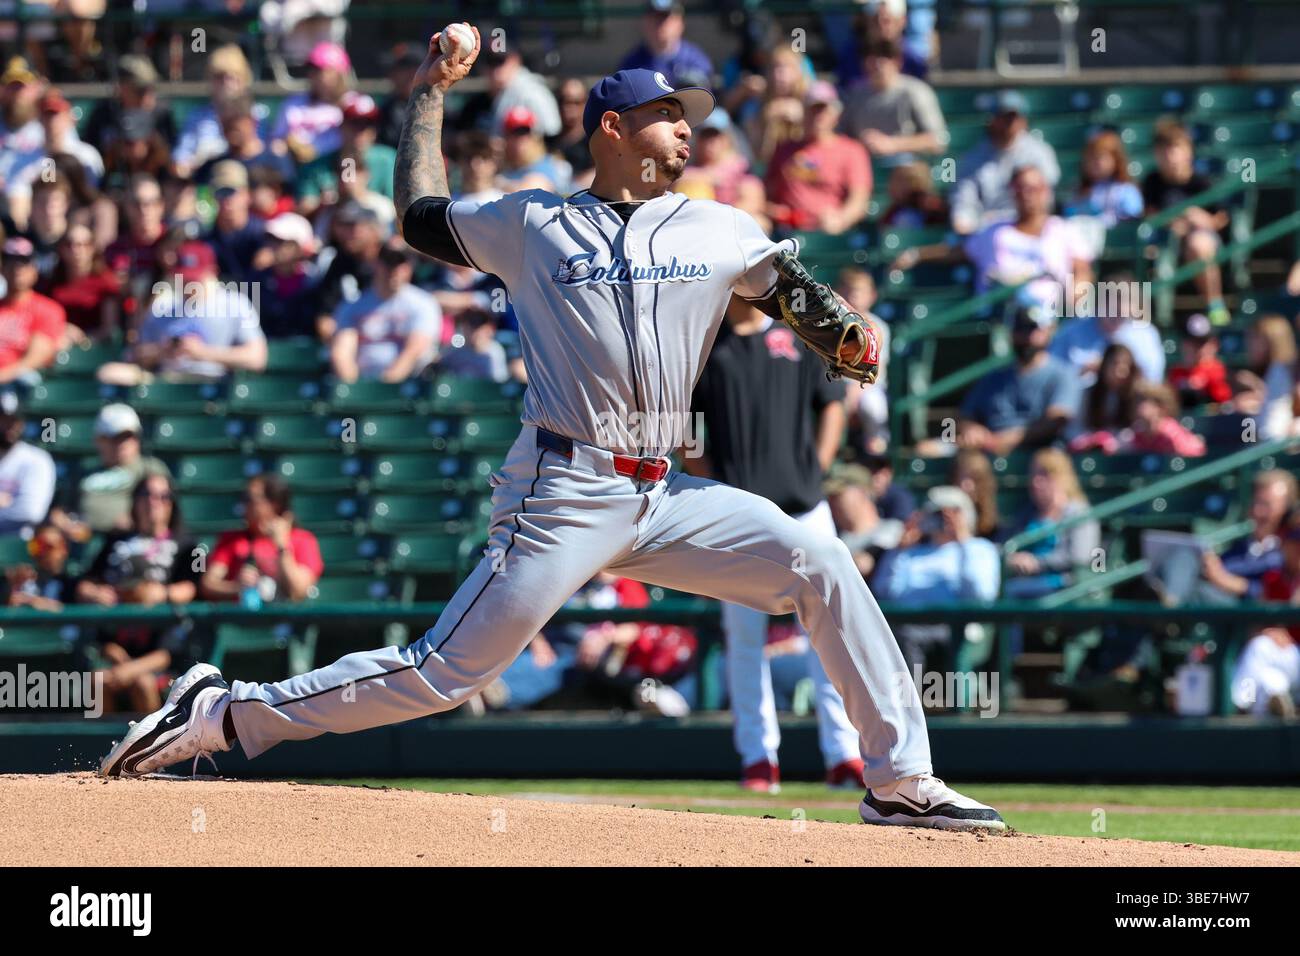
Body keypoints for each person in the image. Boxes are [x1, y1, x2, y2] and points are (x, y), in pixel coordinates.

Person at [100, 41, 1005, 833]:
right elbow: (420, 216)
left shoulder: (717, 224)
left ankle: (898, 782)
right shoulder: (531, 222)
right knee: (443, 673)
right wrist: (427, 94)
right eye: (664, 114)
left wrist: (841, 332)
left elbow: (785, 284)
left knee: (821, 559)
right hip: (562, 490)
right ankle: (225, 713)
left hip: (662, 495)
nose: (686, 129)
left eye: (687, 116)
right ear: (610, 129)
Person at [689, 296, 865, 792]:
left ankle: (844, 755)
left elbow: (832, 404)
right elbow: (688, 434)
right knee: (744, 640)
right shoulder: (706, 345)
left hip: (805, 507)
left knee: (830, 634)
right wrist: (714, 492)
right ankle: (758, 757)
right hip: (740, 517)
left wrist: (819, 467)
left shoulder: (796, 336)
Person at [77, 473, 201, 714]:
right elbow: (83, 584)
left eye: (163, 496)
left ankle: (152, 751)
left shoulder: (188, 545)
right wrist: (95, 592)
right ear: (135, 501)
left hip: (161, 650)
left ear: (172, 503)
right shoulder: (115, 540)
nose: (154, 502)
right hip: (114, 644)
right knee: (96, 681)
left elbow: (195, 588)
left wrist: (161, 593)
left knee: (142, 683)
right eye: (147, 495)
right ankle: (103, 752)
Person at [97, 240, 267, 385]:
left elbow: (257, 357)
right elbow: (134, 355)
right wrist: (162, 351)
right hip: (166, 382)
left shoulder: (234, 303)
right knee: (109, 373)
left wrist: (202, 352)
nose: (187, 284)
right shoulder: (163, 304)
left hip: (213, 381)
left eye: (194, 278)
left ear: (213, 272)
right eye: (183, 278)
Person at [871, 486, 1001, 674]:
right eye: (938, 513)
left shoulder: (980, 549)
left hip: (958, 627)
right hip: (911, 627)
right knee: (899, 638)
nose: (945, 519)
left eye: (953, 512)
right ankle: (909, 703)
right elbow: (887, 593)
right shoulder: (911, 552)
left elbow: (981, 594)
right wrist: (899, 551)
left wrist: (962, 540)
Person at [1152, 470, 1296, 607]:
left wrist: (1227, 581)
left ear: (1286, 511)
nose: (1258, 511)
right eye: (1255, 503)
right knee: (1184, 554)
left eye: (1266, 505)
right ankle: (1169, 602)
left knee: (1194, 591)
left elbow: (1280, 594)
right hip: (1210, 595)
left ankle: (1166, 608)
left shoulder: (1290, 551)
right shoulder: (1239, 546)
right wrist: (1209, 566)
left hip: (1245, 611)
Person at [954, 306, 1080, 457]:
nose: (1026, 337)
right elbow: (964, 415)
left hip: (1040, 450)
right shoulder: (993, 377)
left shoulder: (1062, 374)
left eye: (1033, 329)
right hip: (988, 448)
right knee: (927, 449)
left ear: (1048, 332)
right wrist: (971, 429)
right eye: (1021, 329)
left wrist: (1006, 440)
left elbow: (1056, 420)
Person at [1142, 119, 1229, 325]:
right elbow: (1150, 216)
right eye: (1163, 150)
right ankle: (1158, 317)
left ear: (1188, 152)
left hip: (1202, 241)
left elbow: (1221, 219)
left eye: (1175, 149)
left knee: (1198, 244)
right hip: (1166, 242)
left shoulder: (1202, 181)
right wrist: (1175, 222)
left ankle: (1215, 306)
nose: (1170, 156)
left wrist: (1201, 219)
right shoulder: (1152, 181)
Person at [765, 81, 872, 236]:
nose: (818, 116)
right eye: (813, 109)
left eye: (823, 110)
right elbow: (767, 191)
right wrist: (773, 210)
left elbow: (859, 199)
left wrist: (841, 218)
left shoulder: (852, 150)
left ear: (836, 115)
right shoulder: (784, 149)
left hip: (829, 231)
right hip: (787, 230)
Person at [200, 475, 323, 605]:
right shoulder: (231, 539)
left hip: (285, 621)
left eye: (249, 499)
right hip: (242, 620)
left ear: (274, 504)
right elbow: (208, 585)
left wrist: (282, 546)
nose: (243, 505)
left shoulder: (303, 540)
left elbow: (297, 592)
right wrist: (237, 587)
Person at [949, 91, 1060, 235]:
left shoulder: (1040, 152)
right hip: (988, 231)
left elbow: (1045, 200)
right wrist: (967, 223)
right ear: (992, 119)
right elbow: (963, 204)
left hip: (1030, 228)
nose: (1007, 123)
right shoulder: (972, 158)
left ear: (1023, 120)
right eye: (1002, 116)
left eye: (1012, 117)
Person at [330, 244, 442, 382]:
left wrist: (385, 385)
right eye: (388, 263)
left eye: (400, 264)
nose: (393, 271)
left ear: (409, 268)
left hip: (410, 384)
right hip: (362, 382)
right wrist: (353, 388)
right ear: (376, 265)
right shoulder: (352, 306)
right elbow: (342, 352)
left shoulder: (424, 303)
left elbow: (414, 351)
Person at [1003, 449, 1100, 599]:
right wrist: (1013, 559)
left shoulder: (1079, 512)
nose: (1036, 482)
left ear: (1062, 478)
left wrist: (1037, 562)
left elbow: (1080, 556)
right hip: (1022, 584)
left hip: (1063, 586)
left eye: (1044, 474)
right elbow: (1006, 544)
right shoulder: (1026, 513)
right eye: (1033, 474)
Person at [1231, 515, 1300, 716]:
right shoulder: (1273, 578)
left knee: (1259, 648)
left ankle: (1240, 703)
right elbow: (1256, 627)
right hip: (1282, 661)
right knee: (1270, 679)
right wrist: (1269, 631)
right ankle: (1268, 706)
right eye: (1294, 538)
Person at [839, 36, 946, 162]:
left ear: (898, 62)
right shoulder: (855, 94)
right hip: (863, 168)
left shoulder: (916, 92)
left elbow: (938, 140)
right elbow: (839, 136)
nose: (878, 63)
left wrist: (892, 144)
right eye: (872, 57)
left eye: (885, 56)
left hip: (908, 166)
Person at [71, 403, 171, 535]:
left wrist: (135, 520)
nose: (122, 443)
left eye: (127, 436)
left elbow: (165, 508)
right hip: (83, 541)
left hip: (132, 541)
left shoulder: (150, 468)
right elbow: (62, 510)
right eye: (115, 438)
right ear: (99, 440)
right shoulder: (85, 472)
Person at [1049, 272, 1164, 386]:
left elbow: (1152, 378)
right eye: (1114, 302)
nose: (1118, 313)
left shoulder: (1146, 334)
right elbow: (1052, 373)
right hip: (1079, 398)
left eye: (1125, 303)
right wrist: (1084, 370)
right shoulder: (1072, 330)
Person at [0, 236, 67, 384]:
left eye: (24, 263)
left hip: (17, 384)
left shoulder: (48, 309)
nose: (17, 269)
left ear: (34, 269)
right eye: (10, 262)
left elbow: (34, 360)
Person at [270, 41, 350, 164]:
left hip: (338, 166)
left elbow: (359, 142)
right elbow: (277, 141)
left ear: (339, 73)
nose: (315, 75)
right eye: (312, 69)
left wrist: (315, 151)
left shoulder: (354, 103)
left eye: (321, 69)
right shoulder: (293, 103)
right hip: (297, 169)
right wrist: (290, 146)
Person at [42, 222, 122, 343]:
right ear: (62, 249)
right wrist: (63, 328)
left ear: (93, 248)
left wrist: (82, 339)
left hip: (92, 345)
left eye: (83, 245)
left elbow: (108, 328)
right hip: (57, 338)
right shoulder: (52, 281)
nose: (76, 250)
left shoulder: (106, 282)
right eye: (69, 245)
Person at [251, 213, 322, 340]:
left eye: (281, 242)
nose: (273, 245)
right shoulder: (256, 280)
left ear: (299, 248)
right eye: (270, 239)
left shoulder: (315, 281)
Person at [617, 0, 713, 92]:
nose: (660, 25)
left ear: (680, 23)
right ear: (645, 22)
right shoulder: (632, 63)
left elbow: (702, 98)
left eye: (665, 18)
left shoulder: (695, 60)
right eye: (655, 18)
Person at [1232, 313, 1296, 441]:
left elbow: (1271, 429)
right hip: (1269, 443)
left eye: (1255, 338)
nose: (1249, 345)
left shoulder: (1280, 370)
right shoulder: (1274, 370)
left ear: (1272, 341)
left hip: (1277, 447)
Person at [0, 390, 55, 536]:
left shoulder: (36, 460)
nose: (9, 426)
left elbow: (30, 512)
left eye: (14, 419)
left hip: (18, 546)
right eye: (3, 419)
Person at [1065, 130, 1143, 230]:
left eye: (1099, 157)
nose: (1094, 163)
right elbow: (1069, 216)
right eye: (1090, 158)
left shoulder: (1126, 190)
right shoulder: (1079, 191)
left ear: (1116, 159)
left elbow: (1133, 219)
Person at [205, 160, 266, 283]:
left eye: (231, 192)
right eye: (220, 192)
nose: (226, 199)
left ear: (247, 195)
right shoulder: (207, 239)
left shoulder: (264, 235)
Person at [498, 106, 573, 194]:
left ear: (535, 135)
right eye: (513, 132)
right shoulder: (503, 166)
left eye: (524, 132)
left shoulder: (548, 163)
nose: (520, 139)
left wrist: (498, 183)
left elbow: (529, 193)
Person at [2, 520, 73, 611]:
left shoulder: (73, 581)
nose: (42, 553)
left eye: (48, 547)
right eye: (37, 547)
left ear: (63, 549)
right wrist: (10, 590)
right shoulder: (22, 579)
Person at [1168, 312, 1232, 407]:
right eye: (1193, 343)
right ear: (1184, 344)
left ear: (1214, 345)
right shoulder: (1176, 372)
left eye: (1202, 343)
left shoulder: (1217, 370)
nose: (1198, 349)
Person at [437, 307, 508, 382]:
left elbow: (498, 383)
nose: (473, 330)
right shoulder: (456, 350)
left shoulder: (495, 352)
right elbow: (440, 367)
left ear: (490, 329)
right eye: (470, 324)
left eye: (477, 325)